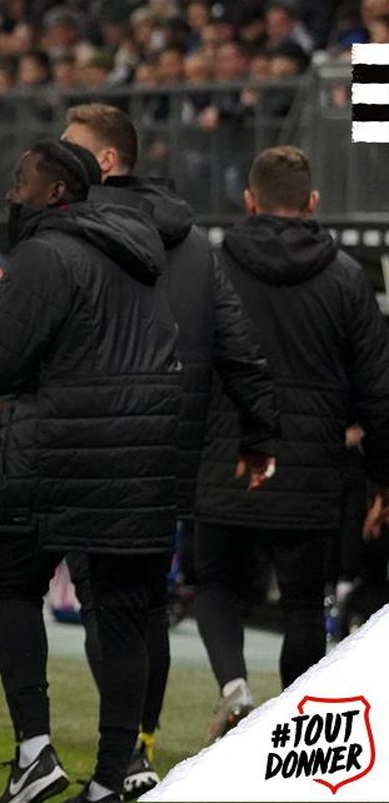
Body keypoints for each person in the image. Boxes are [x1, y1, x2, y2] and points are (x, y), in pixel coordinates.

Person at [0, 139, 182, 803]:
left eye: (21, 181)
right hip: (138, 454)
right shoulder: (140, 251)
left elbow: (5, 362)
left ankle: (34, 751)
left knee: (15, 587)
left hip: (57, 453)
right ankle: (111, 775)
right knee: (122, 615)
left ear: (57, 192)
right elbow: (68, 321)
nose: (11, 193)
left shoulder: (44, 249)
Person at [60, 103, 280, 797]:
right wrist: (258, 435)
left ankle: (121, 753)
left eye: (70, 148)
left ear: (103, 161)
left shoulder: (72, 229)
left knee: (103, 601)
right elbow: (238, 344)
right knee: (146, 600)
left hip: (93, 438)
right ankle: (141, 746)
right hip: (170, 441)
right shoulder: (192, 241)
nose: (56, 156)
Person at [191, 146, 389, 741]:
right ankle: (287, 733)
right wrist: (383, 479)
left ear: (249, 200)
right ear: (313, 202)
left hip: (227, 456)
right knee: (304, 605)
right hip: (309, 468)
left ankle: (234, 687)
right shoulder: (347, 277)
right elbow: (379, 390)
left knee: (215, 583)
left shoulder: (213, 268)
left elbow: (190, 363)